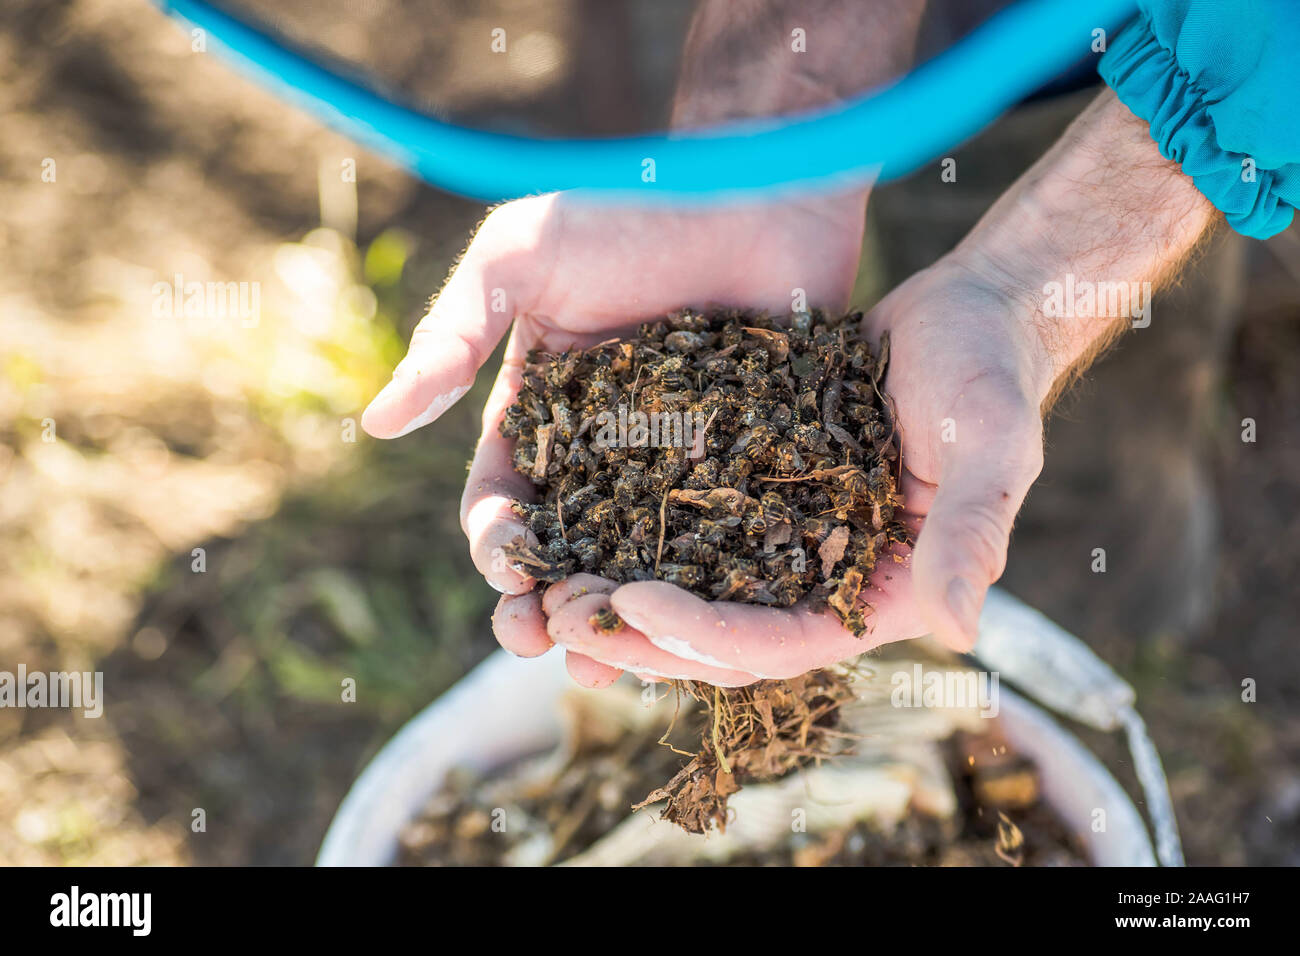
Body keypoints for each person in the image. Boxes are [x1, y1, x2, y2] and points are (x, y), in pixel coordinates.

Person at [361, 0, 1299, 687]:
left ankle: (1092, 651)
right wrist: (772, 115)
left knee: (1094, 454)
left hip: (1126, 36)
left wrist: (1034, 289)